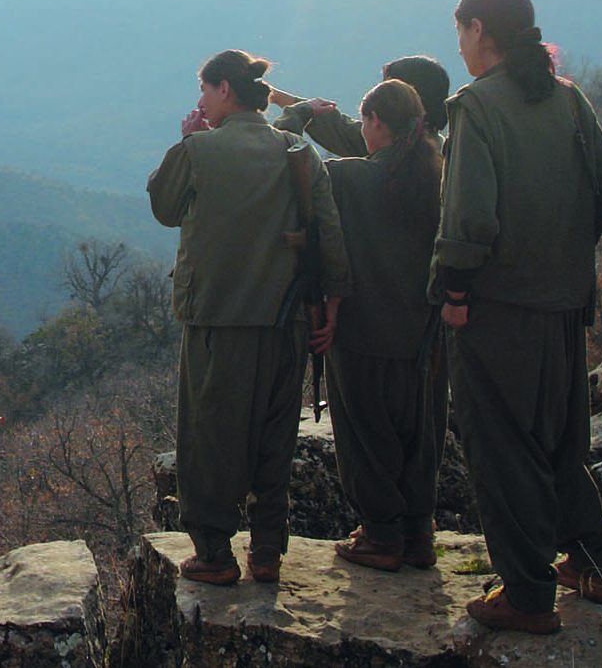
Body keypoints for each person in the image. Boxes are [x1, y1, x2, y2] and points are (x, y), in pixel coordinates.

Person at [432, 0, 602, 635]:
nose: (459, 44)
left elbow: (468, 217)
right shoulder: (567, 101)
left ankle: (527, 591)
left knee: (502, 447)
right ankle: (593, 562)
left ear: (479, 29)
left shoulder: (474, 107)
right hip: (566, 302)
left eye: (461, 31)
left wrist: (454, 292)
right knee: (562, 439)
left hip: (498, 305)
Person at [148, 49, 353, 585]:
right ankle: (266, 551)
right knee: (275, 435)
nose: (200, 100)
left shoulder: (201, 150)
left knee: (210, 437)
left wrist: (186, 140)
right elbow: (329, 234)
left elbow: (164, 207)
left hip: (217, 320)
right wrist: (330, 306)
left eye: (204, 89)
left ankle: (214, 553)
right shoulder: (295, 150)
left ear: (224, 91)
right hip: (287, 321)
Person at [322, 78, 442, 573]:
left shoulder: (347, 178)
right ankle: (418, 535)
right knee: (419, 432)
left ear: (374, 123)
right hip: (424, 332)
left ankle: (380, 535)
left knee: (366, 432)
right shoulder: (436, 175)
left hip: (363, 327)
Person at [269, 54, 451, 157]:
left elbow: (341, 131)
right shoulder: (445, 153)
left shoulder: (359, 170)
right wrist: (276, 96)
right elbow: (340, 127)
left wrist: (287, 105)